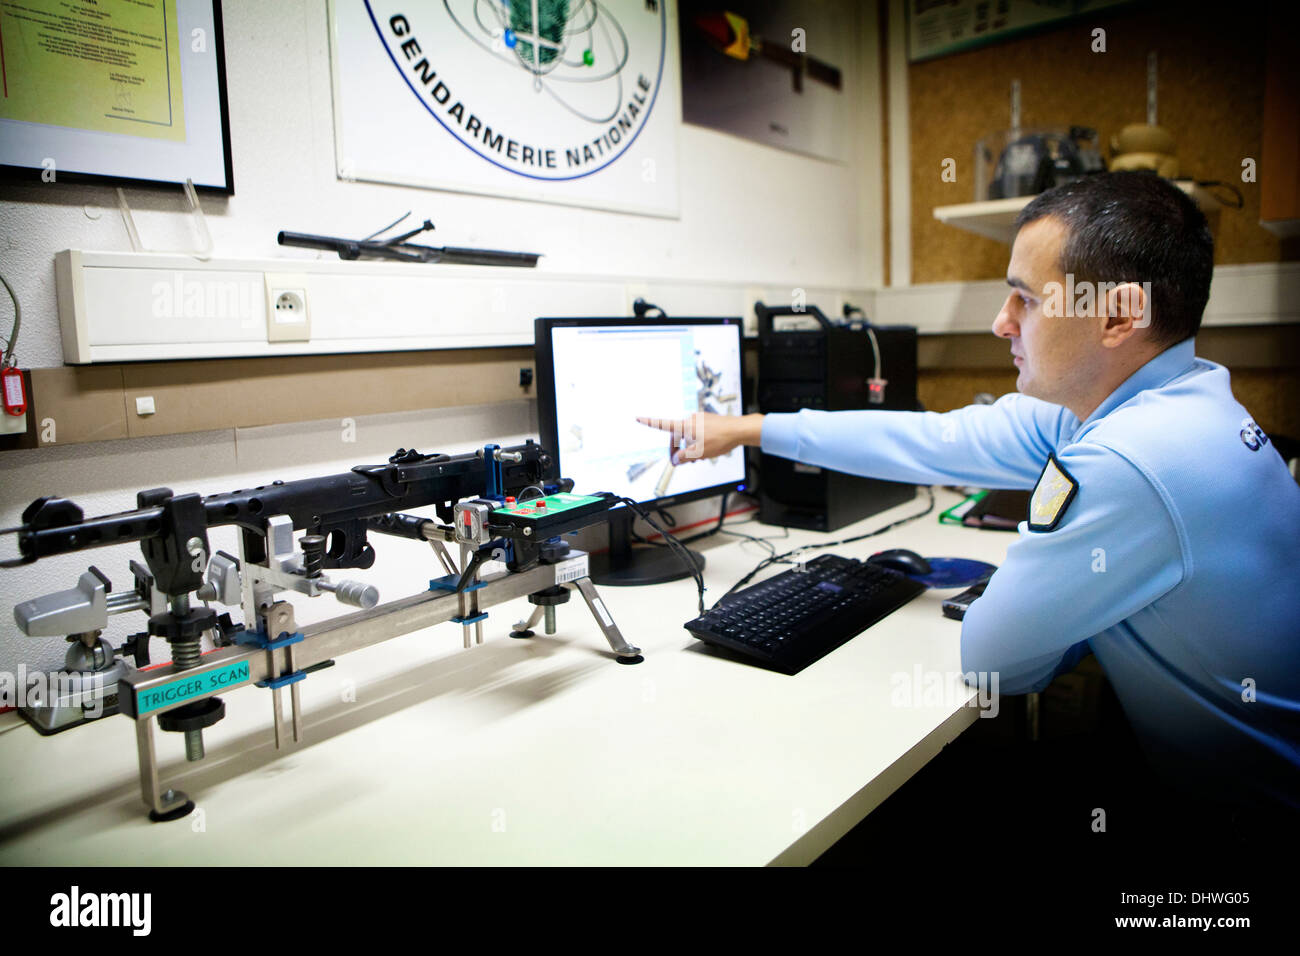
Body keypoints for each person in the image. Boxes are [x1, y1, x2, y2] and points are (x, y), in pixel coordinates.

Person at [638, 172, 1300, 821]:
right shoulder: (1176, 398)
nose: (1000, 322)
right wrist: (745, 430)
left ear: (1120, 316)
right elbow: (933, 440)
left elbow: (997, 664)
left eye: (1025, 299)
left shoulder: (1133, 459)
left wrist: (1052, 560)